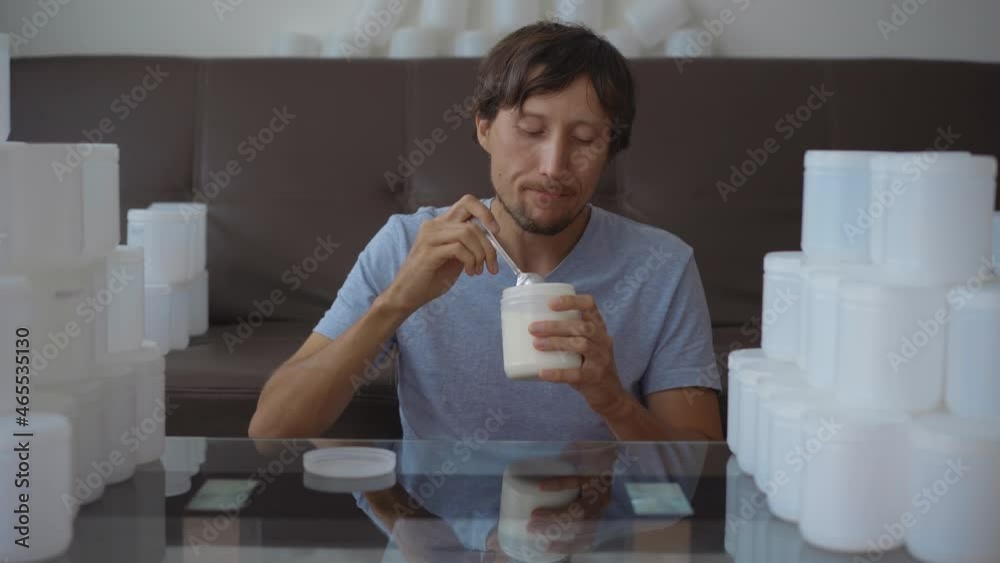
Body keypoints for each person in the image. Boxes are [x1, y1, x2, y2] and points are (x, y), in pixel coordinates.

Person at [249, 22, 723, 442]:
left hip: (597, 532)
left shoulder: (663, 265)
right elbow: (271, 429)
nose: (553, 166)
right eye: (531, 130)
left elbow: (703, 469)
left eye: (583, 141)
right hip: (438, 531)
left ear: (610, 150)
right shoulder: (411, 243)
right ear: (483, 128)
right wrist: (397, 302)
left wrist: (613, 402)